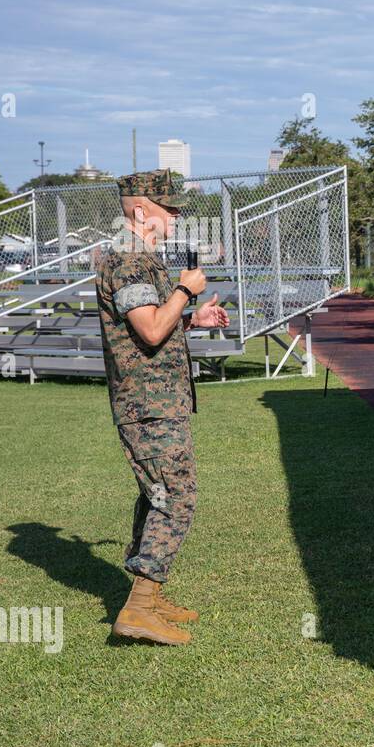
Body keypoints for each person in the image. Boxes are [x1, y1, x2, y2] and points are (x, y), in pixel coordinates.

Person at [97, 170, 230, 645]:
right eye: (167, 208)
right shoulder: (129, 260)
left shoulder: (142, 258)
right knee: (175, 495)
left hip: (157, 399)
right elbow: (150, 330)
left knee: (156, 493)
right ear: (139, 211)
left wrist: (192, 318)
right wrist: (185, 291)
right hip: (147, 403)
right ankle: (138, 607)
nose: (175, 215)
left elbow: (151, 330)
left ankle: (148, 599)